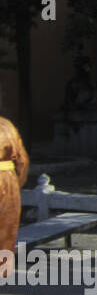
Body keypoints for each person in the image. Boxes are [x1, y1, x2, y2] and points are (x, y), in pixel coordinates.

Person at [0, 111, 29, 281]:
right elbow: (22, 160)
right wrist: (17, 184)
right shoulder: (7, 125)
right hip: (8, 180)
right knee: (6, 226)